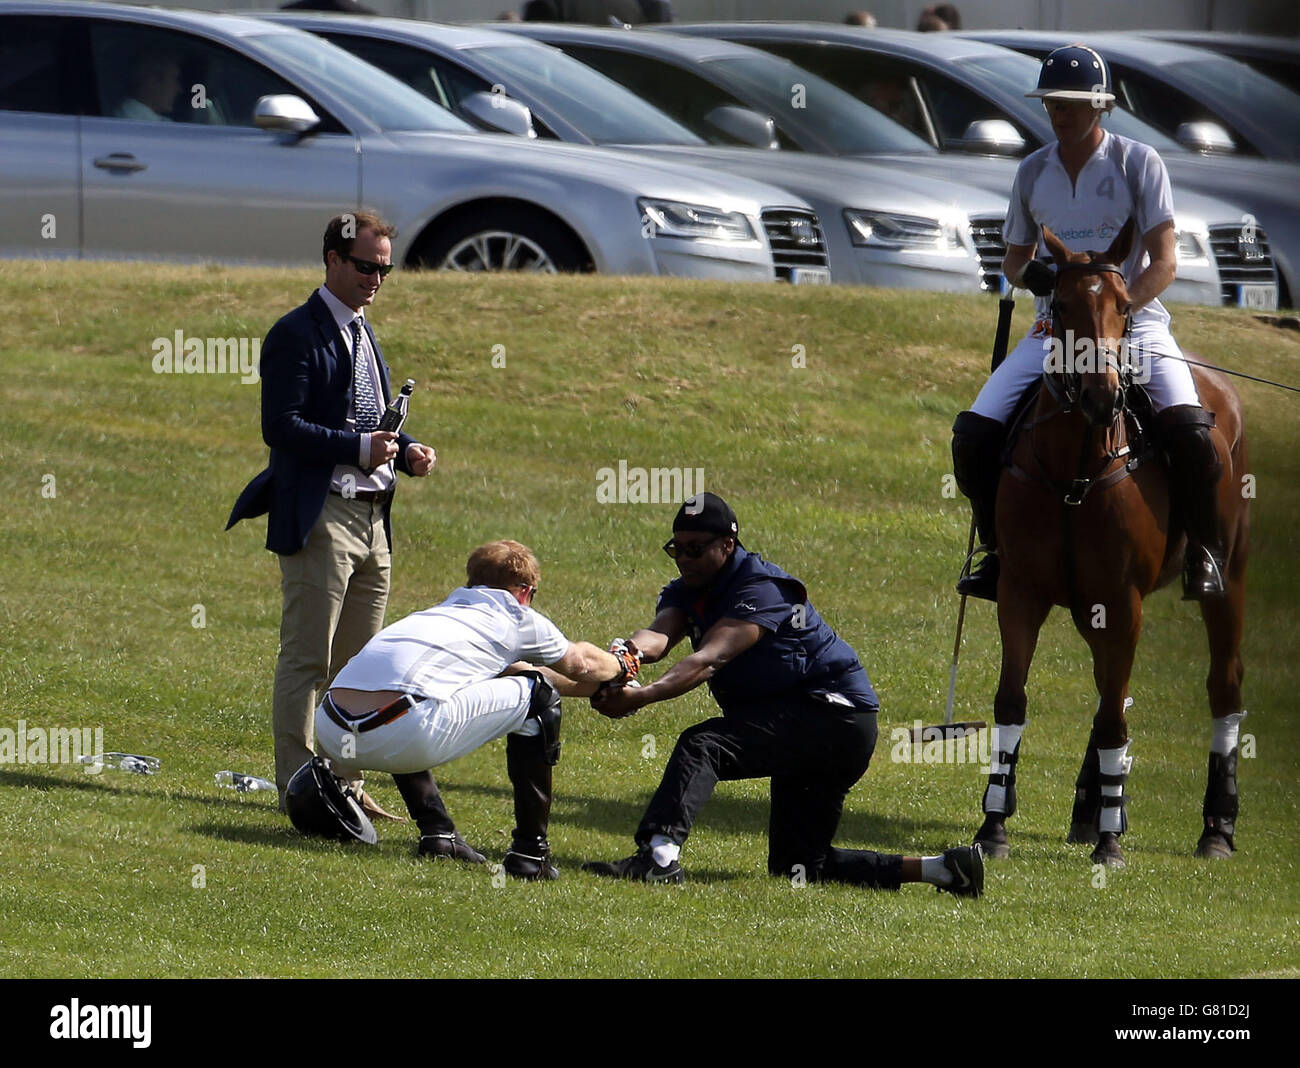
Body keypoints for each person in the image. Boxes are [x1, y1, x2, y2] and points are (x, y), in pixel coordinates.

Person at [582, 494, 984, 896]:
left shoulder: (762, 589)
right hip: (813, 720)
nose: (683, 558)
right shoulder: (688, 587)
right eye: (676, 549)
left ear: (727, 545)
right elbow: (658, 635)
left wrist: (642, 697)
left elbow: (708, 660)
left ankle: (659, 858)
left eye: (695, 549)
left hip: (833, 717)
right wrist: (624, 659)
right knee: (799, 865)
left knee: (703, 745)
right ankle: (945, 870)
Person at [952, 44, 1226, 603]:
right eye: (1052, 103)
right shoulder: (1032, 171)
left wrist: (1121, 310)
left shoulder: (1139, 162)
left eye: (1073, 103)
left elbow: (1165, 260)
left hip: (1137, 326)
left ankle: (1203, 550)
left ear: (1100, 106)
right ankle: (995, 550)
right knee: (974, 434)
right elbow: (1012, 258)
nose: (1060, 113)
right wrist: (1040, 282)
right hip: (1055, 332)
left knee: (1194, 434)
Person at [226, 212, 436, 818]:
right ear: (333, 260)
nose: (377, 278)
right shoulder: (295, 332)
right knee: (308, 658)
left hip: (373, 519)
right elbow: (281, 426)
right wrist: (356, 448)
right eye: (367, 266)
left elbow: (365, 415)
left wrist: (408, 446)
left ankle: (341, 783)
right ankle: (299, 786)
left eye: (386, 269)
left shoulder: (363, 331)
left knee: (358, 668)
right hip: (324, 514)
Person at [303, 539, 640, 879]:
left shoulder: (436, 614)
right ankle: (530, 854)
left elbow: (526, 674)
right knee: (540, 701)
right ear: (525, 591)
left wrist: (602, 692)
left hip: (332, 730)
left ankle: (439, 833)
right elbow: (580, 664)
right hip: (402, 732)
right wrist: (624, 664)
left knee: (421, 694)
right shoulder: (516, 616)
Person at [116, 53, 182, 121]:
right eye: (174, 79)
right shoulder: (127, 121)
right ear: (153, 81)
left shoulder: (158, 121)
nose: (179, 89)